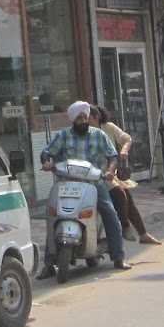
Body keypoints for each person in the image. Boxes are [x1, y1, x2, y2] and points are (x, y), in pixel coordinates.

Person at [36, 101, 130, 275]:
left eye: (84, 117)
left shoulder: (99, 135)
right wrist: (46, 163)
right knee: (52, 216)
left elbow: (112, 156)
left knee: (110, 213)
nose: (82, 120)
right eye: (79, 118)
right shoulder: (62, 136)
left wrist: (110, 172)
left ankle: (119, 257)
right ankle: (48, 265)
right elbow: (46, 151)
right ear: (73, 119)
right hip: (66, 185)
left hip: (94, 185)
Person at [94, 105, 161, 246]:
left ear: (96, 117)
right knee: (121, 193)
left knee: (127, 197)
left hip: (109, 172)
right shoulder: (81, 133)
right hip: (92, 175)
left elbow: (126, 139)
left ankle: (141, 233)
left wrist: (124, 151)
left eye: (87, 117)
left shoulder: (107, 128)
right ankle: (126, 227)